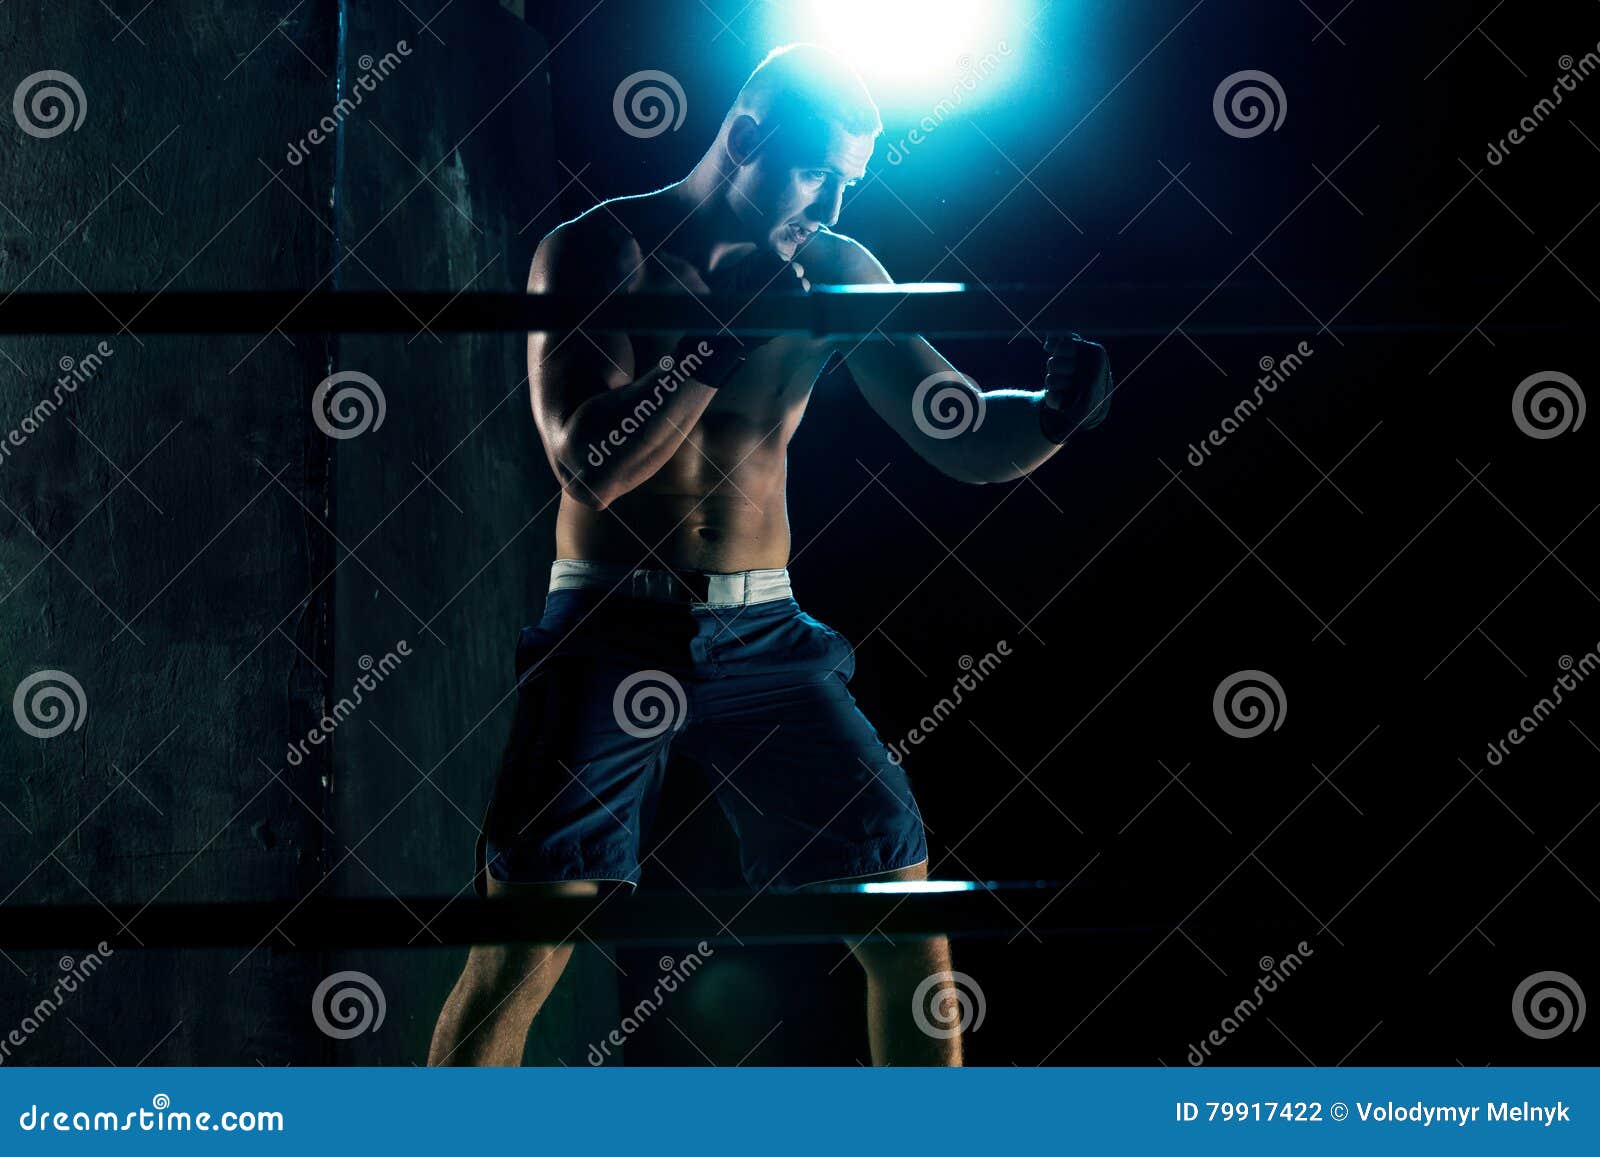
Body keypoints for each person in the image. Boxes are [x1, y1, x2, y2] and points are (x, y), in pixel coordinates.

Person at [428, 42, 1111, 1068]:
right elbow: (587, 462)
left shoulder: (834, 270)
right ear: (743, 137)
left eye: (849, 183)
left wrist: (1051, 416)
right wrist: (714, 345)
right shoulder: (600, 251)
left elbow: (961, 429)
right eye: (814, 172)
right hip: (612, 625)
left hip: (765, 635)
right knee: (525, 951)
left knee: (906, 925)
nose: (829, 206)